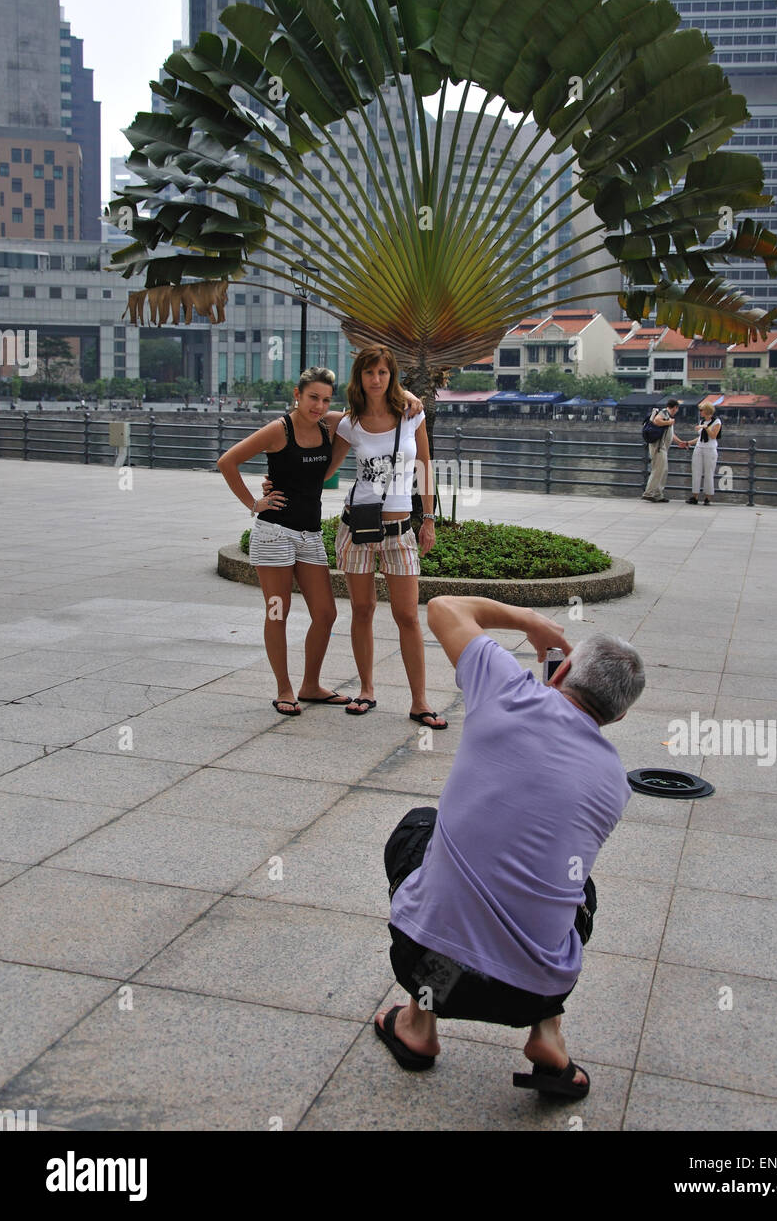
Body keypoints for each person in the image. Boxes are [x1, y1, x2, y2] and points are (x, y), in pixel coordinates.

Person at [374, 596, 645, 1099]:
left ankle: (418, 1027)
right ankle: (548, 1034)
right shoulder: (615, 781)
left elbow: (442, 608)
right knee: (576, 889)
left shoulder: (508, 688)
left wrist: (533, 622)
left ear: (559, 673)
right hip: (535, 991)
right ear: (619, 717)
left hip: (431, 965)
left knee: (419, 827)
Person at [217, 367, 351, 717]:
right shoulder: (280, 429)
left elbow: (368, 410)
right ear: (297, 394)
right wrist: (253, 503)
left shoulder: (328, 424)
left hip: (310, 535)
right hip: (274, 533)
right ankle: (284, 689)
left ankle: (310, 685)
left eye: (325, 399)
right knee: (278, 612)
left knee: (326, 613)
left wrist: (412, 400)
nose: (319, 405)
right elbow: (227, 461)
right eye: (312, 398)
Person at [326, 344, 447, 729]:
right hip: (358, 527)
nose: (376, 380)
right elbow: (321, 458)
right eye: (368, 373)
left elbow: (426, 464)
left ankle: (420, 701)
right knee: (362, 611)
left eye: (382, 372)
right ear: (359, 378)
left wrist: (428, 519)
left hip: (400, 530)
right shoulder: (349, 423)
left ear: (391, 375)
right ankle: (366, 689)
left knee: (408, 616)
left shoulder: (412, 414)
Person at [642, 398, 689, 501]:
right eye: (677, 409)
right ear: (675, 408)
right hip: (658, 447)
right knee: (658, 470)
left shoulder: (668, 416)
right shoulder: (664, 413)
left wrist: (679, 442)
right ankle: (649, 493)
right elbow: (657, 421)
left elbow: (670, 434)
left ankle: (658, 494)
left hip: (663, 447)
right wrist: (669, 422)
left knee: (663, 470)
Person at [686, 400, 722, 505]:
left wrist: (706, 427)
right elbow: (700, 437)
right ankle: (695, 496)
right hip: (699, 447)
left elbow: (713, 436)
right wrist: (689, 443)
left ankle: (708, 497)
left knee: (708, 473)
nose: (700, 412)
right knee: (696, 472)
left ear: (707, 411)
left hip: (710, 449)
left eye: (701, 410)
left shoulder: (717, 422)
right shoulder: (702, 422)